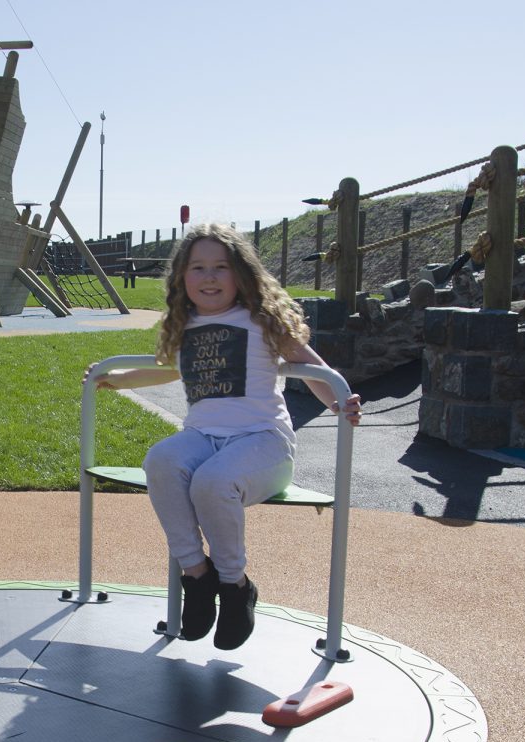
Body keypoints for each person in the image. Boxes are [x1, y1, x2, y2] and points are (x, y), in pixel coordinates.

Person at [90, 222, 361, 651]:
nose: (210, 277)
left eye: (221, 267)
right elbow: (167, 368)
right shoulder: (187, 323)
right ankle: (197, 577)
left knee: (212, 483)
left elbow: (314, 367)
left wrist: (339, 402)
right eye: (198, 267)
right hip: (203, 436)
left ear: (241, 274)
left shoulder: (262, 320)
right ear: (182, 277)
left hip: (262, 443)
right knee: (161, 460)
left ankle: (235, 587)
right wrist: (119, 380)